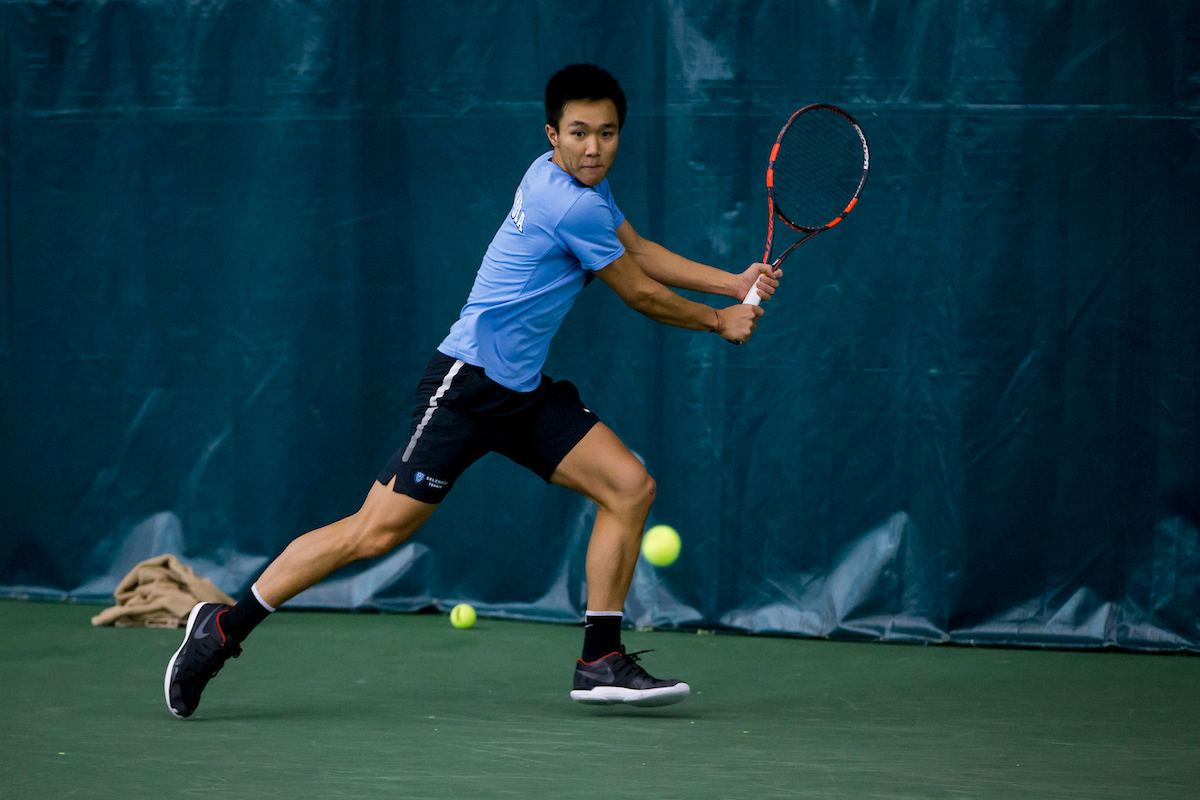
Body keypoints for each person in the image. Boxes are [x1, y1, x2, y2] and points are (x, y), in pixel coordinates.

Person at [165, 63, 782, 717]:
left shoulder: (579, 190)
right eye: (578, 133)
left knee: (629, 487)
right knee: (371, 535)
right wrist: (719, 320)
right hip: (467, 387)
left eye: (606, 133)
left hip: (521, 392)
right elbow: (637, 290)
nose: (593, 147)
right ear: (553, 133)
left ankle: (600, 657)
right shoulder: (567, 200)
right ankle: (221, 630)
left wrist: (731, 280)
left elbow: (641, 250)